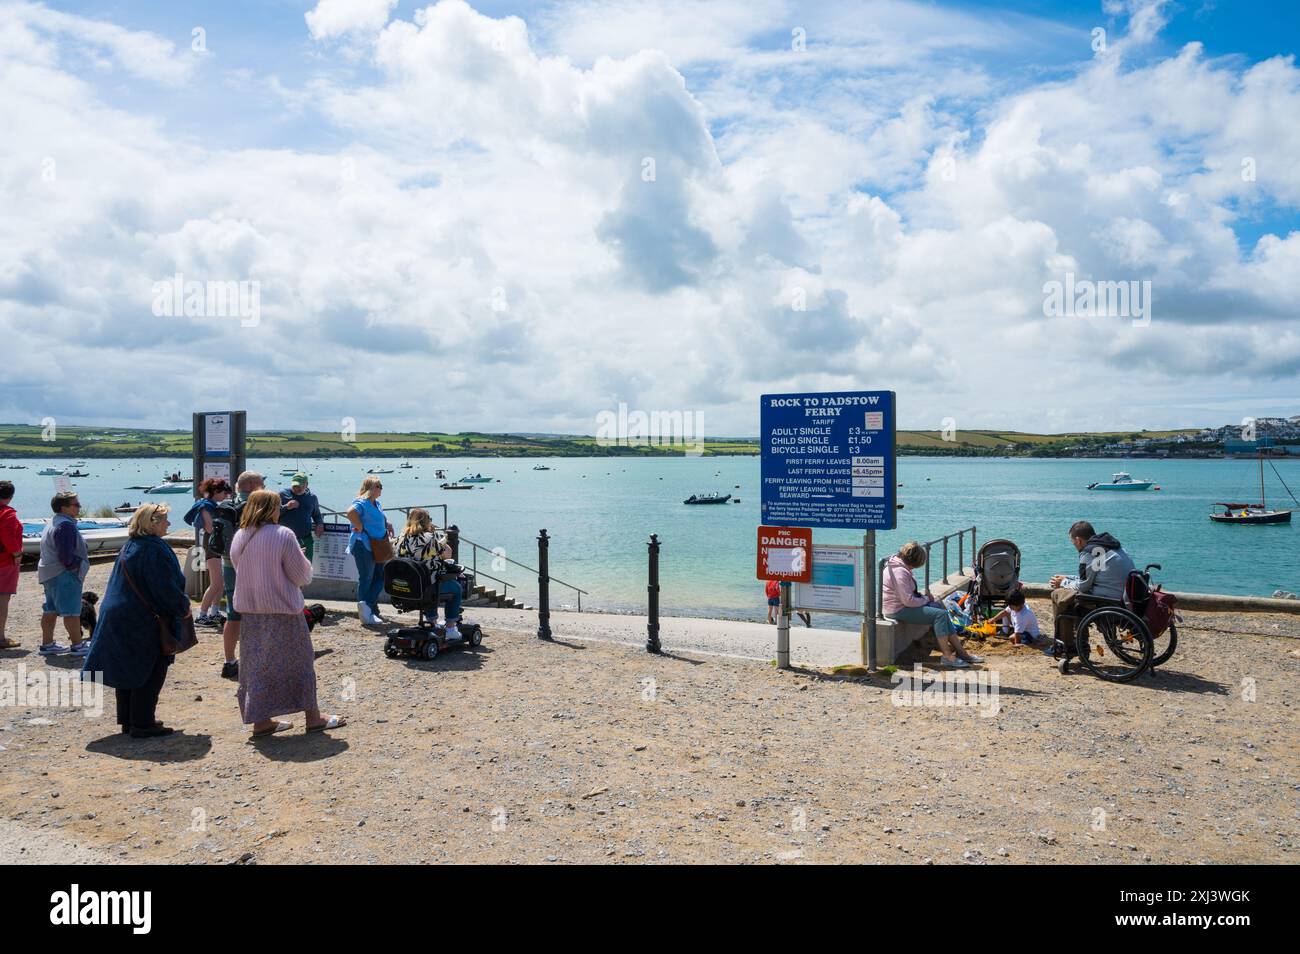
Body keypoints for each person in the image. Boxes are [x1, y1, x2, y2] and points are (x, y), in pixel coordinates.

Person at [229, 490, 345, 737]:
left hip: (251, 612)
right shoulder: (283, 535)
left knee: (257, 666)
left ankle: (261, 720)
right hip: (283, 610)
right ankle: (313, 717)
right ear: (272, 509)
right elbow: (302, 576)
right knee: (300, 662)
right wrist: (301, 557)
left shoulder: (240, 535)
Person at [81, 504, 189, 738]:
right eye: (164, 520)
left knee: (128, 668)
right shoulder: (154, 549)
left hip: (121, 614)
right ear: (152, 523)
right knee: (151, 668)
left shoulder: (131, 545)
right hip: (143, 618)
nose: (168, 524)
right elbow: (164, 587)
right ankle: (142, 722)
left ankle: (129, 720)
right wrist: (183, 607)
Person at [882, 540, 983, 668]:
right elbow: (907, 600)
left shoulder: (897, 565)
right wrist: (926, 600)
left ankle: (962, 654)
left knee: (942, 612)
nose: (914, 568)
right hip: (897, 610)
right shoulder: (899, 572)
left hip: (901, 606)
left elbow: (907, 595)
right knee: (939, 615)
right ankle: (948, 657)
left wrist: (925, 598)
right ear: (913, 560)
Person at [1048, 520, 1136, 644]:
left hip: (1109, 602)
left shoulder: (1088, 552)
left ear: (1078, 540)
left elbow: (1084, 587)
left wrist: (1062, 583)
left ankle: (1067, 646)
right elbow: (1094, 576)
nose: (1075, 546)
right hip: (1124, 599)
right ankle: (1078, 645)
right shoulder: (1108, 547)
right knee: (1074, 595)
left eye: (1073, 543)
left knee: (1062, 598)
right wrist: (1068, 579)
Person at [219, 471, 263, 680]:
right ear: (254, 485)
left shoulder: (229, 504)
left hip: (228, 563)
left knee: (233, 612)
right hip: (252, 565)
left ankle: (229, 661)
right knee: (256, 612)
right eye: (262, 483)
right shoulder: (258, 505)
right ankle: (255, 661)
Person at [37, 491, 90, 656]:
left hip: (49, 571)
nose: (79, 507)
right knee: (72, 611)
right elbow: (65, 555)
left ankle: (47, 644)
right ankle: (77, 645)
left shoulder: (54, 521)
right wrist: (74, 567)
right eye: (75, 504)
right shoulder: (65, 525)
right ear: (63, 508)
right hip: (63, 573)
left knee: (50, 609)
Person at [395, 508, 461, 638]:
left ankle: (432, 622)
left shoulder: (401, 538)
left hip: (405, 587)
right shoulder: (429, 538)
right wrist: (435, 534)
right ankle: (450, 628)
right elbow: (448, 553)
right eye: (429, 519)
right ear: (426, 522)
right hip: (425, 588)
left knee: (428, 582)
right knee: (456, 588)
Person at [184, 477, 233, 627]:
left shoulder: (210, 505)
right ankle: (202, 615)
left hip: (216, 543)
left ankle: (214, 612)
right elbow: (210, 528)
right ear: (216, 491)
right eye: (225, 493)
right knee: (216, 582)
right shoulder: (205, 506)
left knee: (220, 582)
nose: (226, 496)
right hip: (212, 544)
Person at [345, 476, 393, 627]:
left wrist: (387, 523)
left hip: (377, 546)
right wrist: (359, 526)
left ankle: (368, 606)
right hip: (364, 545)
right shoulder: (362, 502)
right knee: (367, 578)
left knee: (380, 577)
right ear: (371, 488)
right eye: (379, 485)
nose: (381, 488)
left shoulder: (376, 503)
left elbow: (377, 517)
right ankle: (366, 613)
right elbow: (351, 512)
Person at [278, 473, 324, 563]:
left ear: (306, 484)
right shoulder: (282, 495)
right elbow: (271, 515)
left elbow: (316, 514)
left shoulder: (312, 497)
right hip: (285, 540)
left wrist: (320, 523)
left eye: (300, 486)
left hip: (306, 539)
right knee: (285, 568)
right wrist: (286, 507)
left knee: (306, 568)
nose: (297, 489)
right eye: (295, 486)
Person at [0, 481, 21, 650]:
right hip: (4, 562)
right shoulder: (7, 514)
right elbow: (7, 535)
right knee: (2, 599)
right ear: (11, 496)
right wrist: (16, 553)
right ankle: (0, 638)